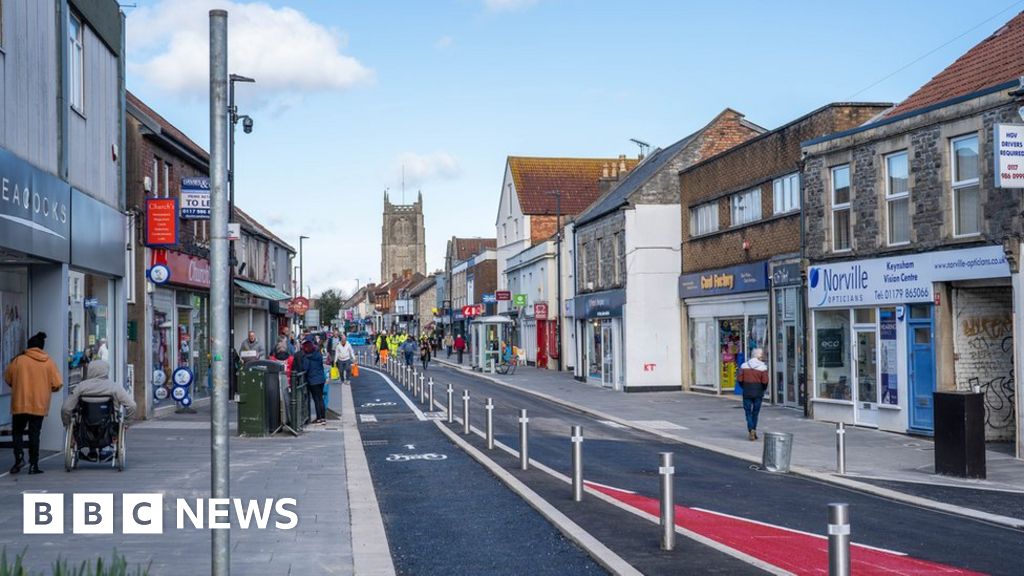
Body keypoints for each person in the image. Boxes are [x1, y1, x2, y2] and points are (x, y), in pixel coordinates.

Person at [5, 332, 63, 474]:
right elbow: (57, 383)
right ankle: (33, 465)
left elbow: (8, 378)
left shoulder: (18, 361)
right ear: (41, 347)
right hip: (39, 404)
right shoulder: (48, 362)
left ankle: (18, 458)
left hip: (20, 403)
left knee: (17, 432)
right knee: (34, 433)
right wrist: (47, 389)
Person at [60, 359, 136, 462]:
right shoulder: (114, 387)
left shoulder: (81, 387)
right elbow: (132, 406)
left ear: (90, 370)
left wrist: (67, 425)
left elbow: (66, 408)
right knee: (112, 421)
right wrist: (126, 423)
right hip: (109, 427)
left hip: (84, 428)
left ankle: (92, 451)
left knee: (81, 420)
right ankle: (102, 449)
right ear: (106, 371)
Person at [738, 348, 769, 441]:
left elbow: (739, 379)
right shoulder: (763, 367)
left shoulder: (744, 366)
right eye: (761, 355)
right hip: (758, 392)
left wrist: (744, 386)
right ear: (758, 356)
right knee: (755, 413)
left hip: (747, 391)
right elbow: (765, 381)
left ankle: (751, 429)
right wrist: (762, 389)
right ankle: (753, 430)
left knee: (748, 412)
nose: (762, 357)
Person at [301, 336, 328, 425]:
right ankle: (323, 418)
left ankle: (319, 418)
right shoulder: (318, 354)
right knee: (321, 398)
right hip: (321, 378)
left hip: (313, 380)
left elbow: (305, 368)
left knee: (316, 399)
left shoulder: (307, 357)